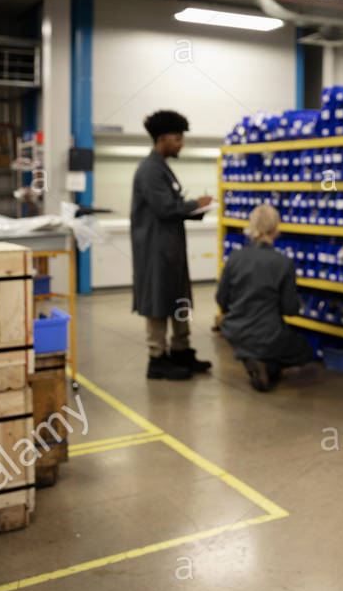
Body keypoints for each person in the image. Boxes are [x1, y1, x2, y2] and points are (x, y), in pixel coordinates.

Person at [131, 109, 213, 380]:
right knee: (157, 300)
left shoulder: (163, 169)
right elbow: (166, 208)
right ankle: (157, 357)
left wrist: (198, 209)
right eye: (177, 139)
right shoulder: (149, 171)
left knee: (178, 297)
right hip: (155, 251)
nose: (181, 144)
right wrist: (196, 204)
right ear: (163, 138)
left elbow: (173, 207)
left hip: (171, 247)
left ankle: (181, 350)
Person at [216, 204, 315, 392]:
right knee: (304, 351)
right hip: (268, 335)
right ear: (276, 229)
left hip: (234, 330)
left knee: (260, 342)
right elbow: (290, 309)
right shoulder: (283, 263)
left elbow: (221, 299)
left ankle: (253, 358)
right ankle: (268, 365)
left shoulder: (235, 257)